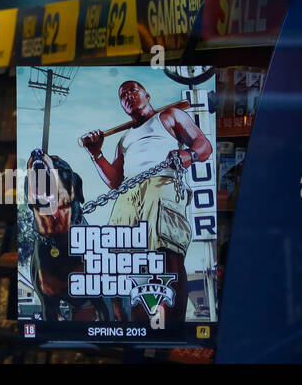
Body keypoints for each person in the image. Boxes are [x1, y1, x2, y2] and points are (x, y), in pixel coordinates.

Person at [81, 80, 213, 328]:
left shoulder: (170, 115)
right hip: (128, 193)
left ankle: (172, 328)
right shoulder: (125, 138)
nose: (128, 96)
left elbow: (203, 144)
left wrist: (189, 154)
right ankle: (131, 326)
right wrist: (96, 153)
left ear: (146, 94)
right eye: (123, 95)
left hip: (161, 185)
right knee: (120, 260)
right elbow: (115, 180)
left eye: (133, 90)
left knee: (165, 254)